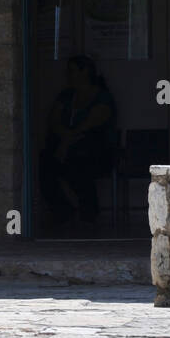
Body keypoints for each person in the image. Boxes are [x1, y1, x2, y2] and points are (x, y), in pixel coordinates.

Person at [39, 55, 118, 228]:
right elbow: (53, 121)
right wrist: (64, 140)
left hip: (97, 151)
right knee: (45, 163)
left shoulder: (102, 97)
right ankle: (62, 210)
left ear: (85, 72)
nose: (68, 75)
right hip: (66, 147)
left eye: (72, 71)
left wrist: (65, 143)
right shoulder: (67, 95)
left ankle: (89, 212)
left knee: (78, 162)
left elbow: (90, 124)